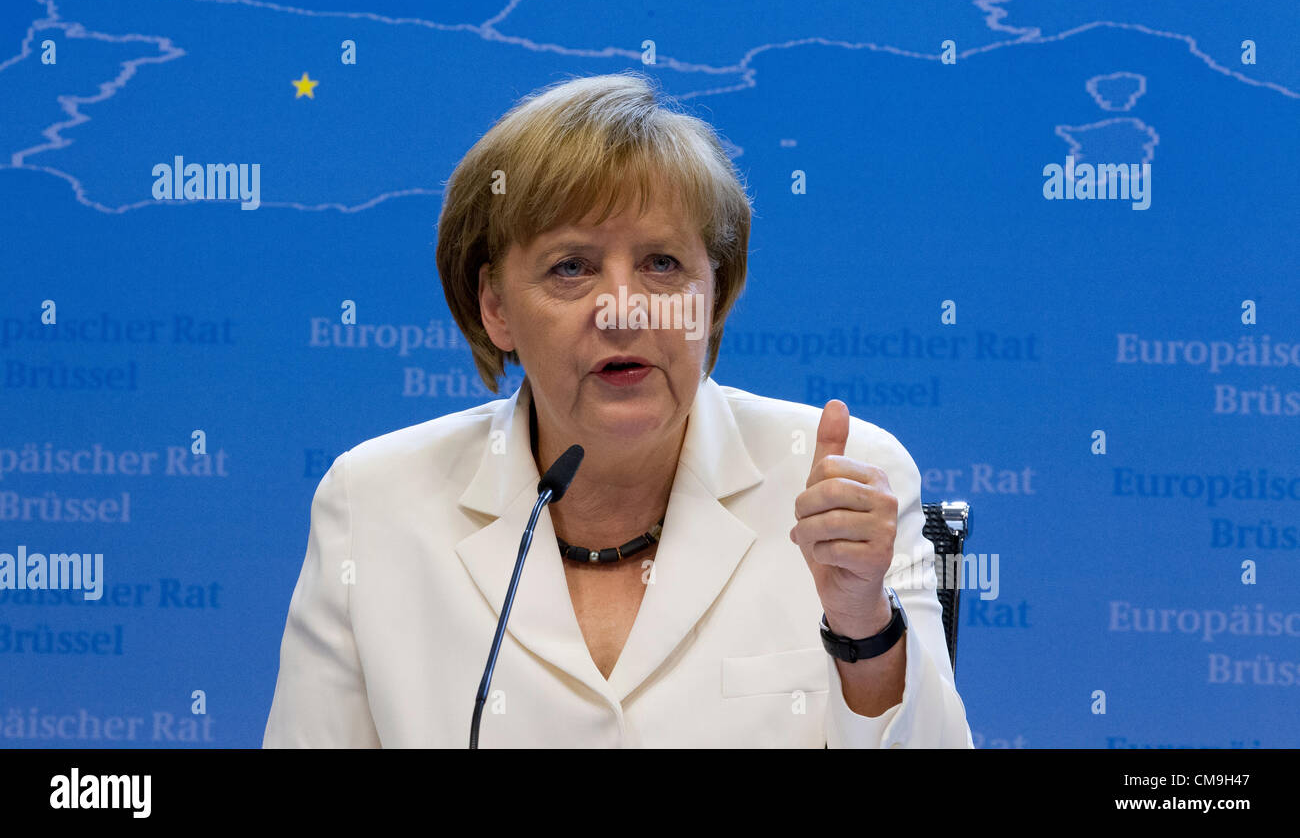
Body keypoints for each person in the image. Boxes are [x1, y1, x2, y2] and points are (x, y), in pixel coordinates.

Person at [263, 71, 972, 747]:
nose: (623, 308)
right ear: (496, 307)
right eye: (571, 266)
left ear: (712, 295)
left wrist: (862, 628)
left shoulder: (840, 478)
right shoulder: (376, 502)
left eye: (662, 264)